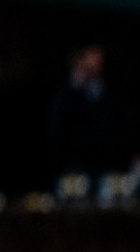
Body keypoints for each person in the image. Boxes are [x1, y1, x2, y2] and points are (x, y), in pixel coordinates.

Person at [48, 44, 127, 182]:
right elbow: (58, 131)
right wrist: (74, 88)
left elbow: (117, 125)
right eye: (90, 55)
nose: (95, 60)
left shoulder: (110, 91)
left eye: (98, 55)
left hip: (107, 164)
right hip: (75, 165)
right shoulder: (67, 95)